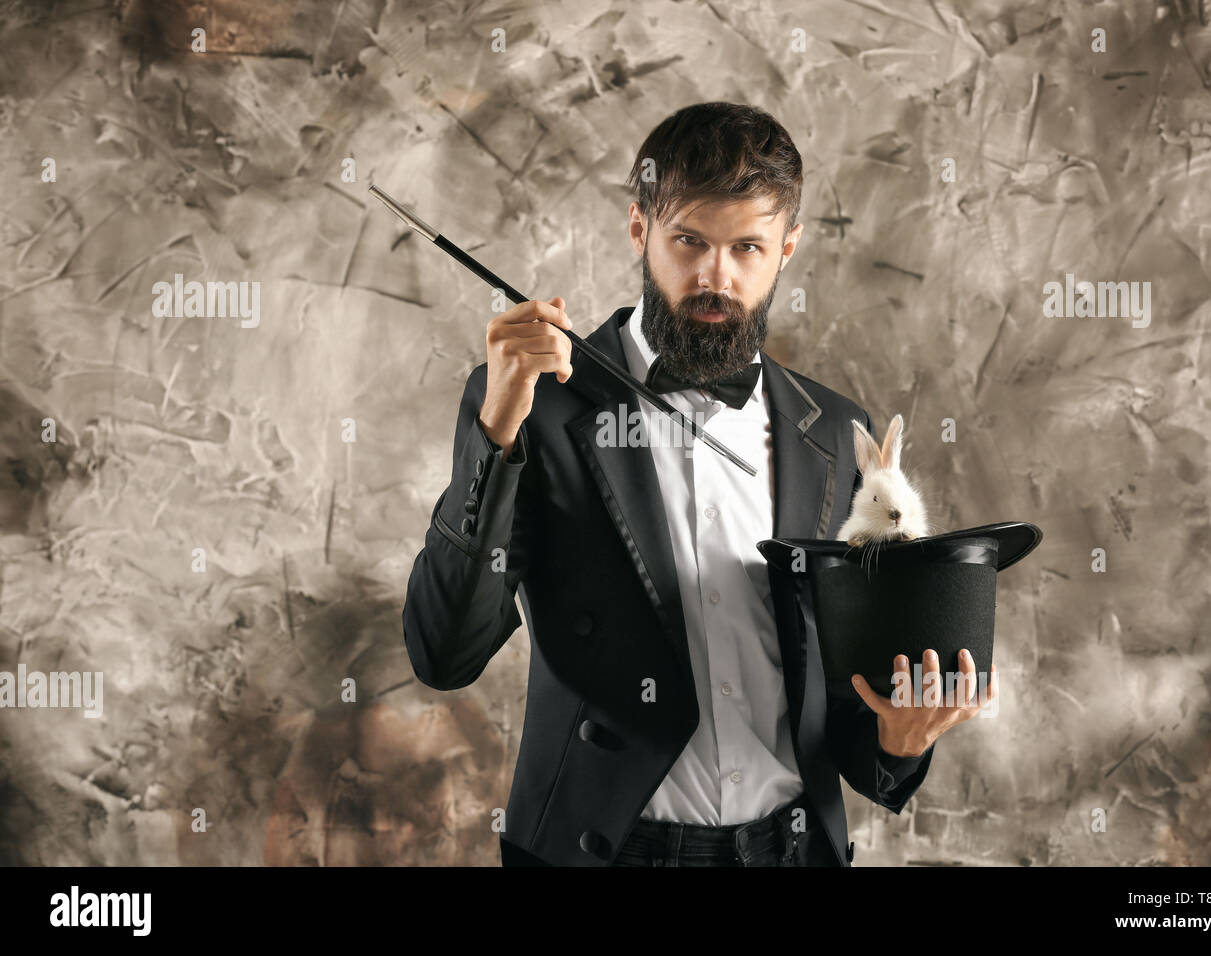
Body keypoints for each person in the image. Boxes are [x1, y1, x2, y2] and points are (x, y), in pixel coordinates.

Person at [402, 101, 994, 867]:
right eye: (690, 241)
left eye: (747, 247)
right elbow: (443, 654)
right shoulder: (535, 402)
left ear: (787, 248)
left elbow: (849, 709)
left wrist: (900, 738)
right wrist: (498, 432)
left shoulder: (835, 431)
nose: (717, 276)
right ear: (640, 229)